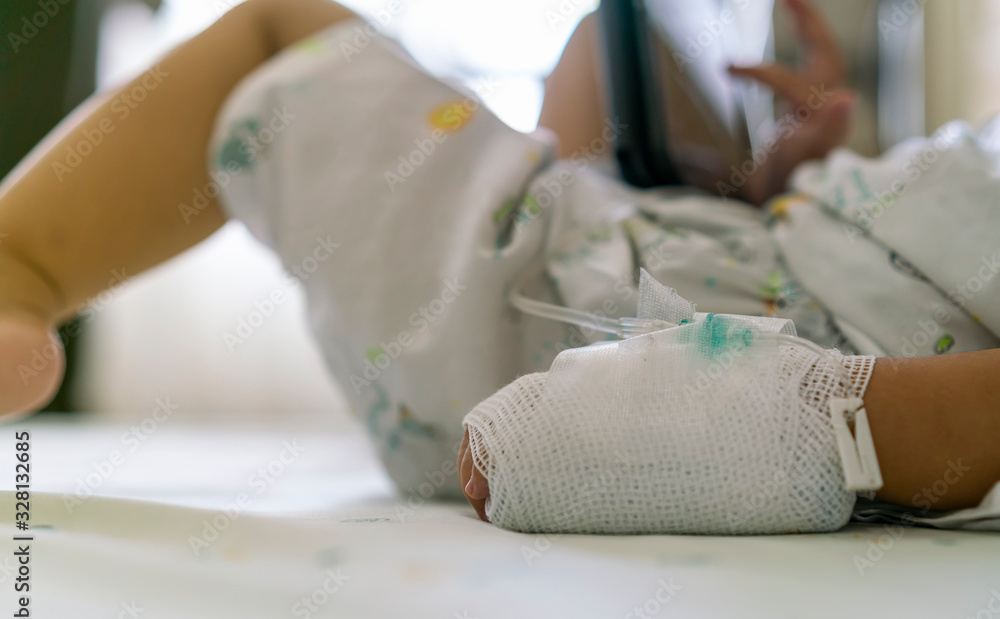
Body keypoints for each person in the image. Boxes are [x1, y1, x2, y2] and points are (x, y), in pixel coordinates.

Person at [0, 0, 997, 530]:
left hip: (601, 346)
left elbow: (912, 416)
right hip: (701, 266)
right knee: (609, 42)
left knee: (281, 30)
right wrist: (791, 184)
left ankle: (17, 271)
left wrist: (717, 422)